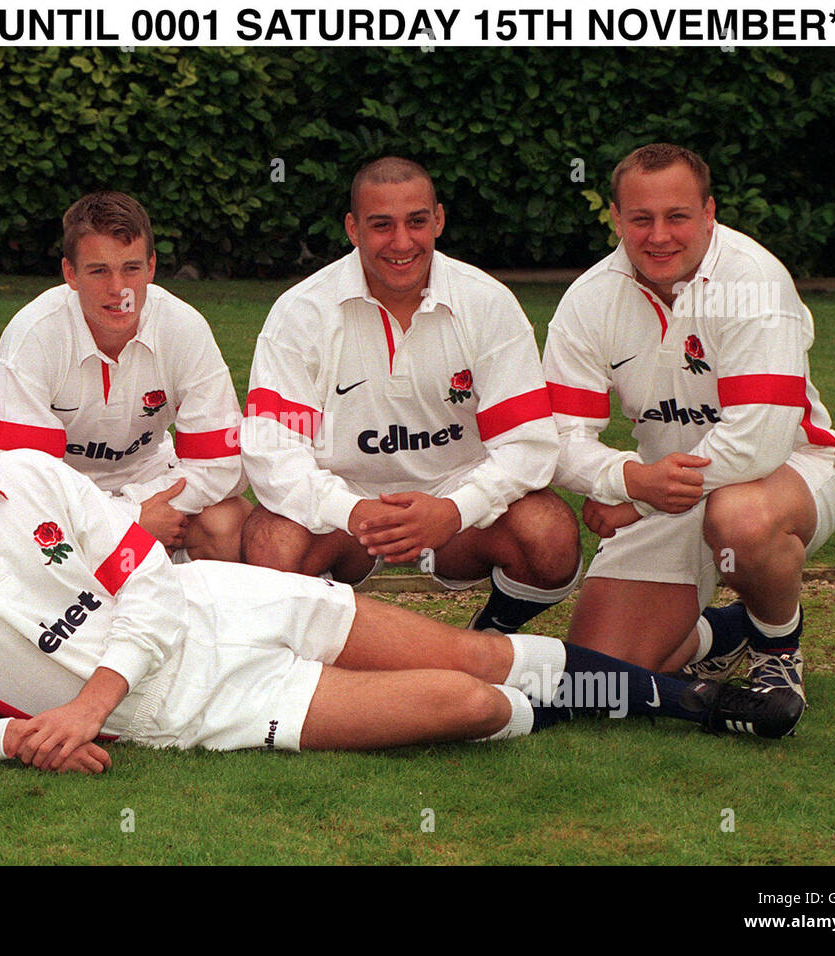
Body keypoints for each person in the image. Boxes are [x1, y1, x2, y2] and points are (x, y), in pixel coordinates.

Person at [0, 362, 802, 774]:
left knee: (484, 663)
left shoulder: (32, 473)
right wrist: (11, 741)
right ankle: (705, 645)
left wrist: (88, 698)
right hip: (194, 702)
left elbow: (150, 581)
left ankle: (695, 698)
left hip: (231, 600)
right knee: (470, 707)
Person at [542, 143, 835, 704]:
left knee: (740, 519)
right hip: (666, 487)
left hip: (784, 474)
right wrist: (632, 480)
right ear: (616, 218)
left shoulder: (755, 280)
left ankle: (776, 647)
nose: (658, 235)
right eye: (641, 218)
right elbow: (558, 437)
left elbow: (758, 441)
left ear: (708, 212)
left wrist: (637, 498)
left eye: (677, 216)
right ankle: (726, 631)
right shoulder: (589, 299)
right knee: (603, 683)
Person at [241, 157, 580, 635]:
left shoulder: (487, 302)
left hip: (456, 509)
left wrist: (457, 508)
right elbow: (272, 450)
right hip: (346, 515)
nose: (402, 243)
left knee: (549, 534)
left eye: (416, 222)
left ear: (438, 219)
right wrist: (351, 510)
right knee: (271, 543)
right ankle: (328, 652)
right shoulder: (301, 311)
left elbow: (529, 445)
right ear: (353, 228)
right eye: (381, 225)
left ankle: (492, 634)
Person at [0, 191, 250, 562]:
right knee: (15, 532)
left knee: (226, 522)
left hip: (150, 479)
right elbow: (21, 481)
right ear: (70, 274)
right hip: (65, 489)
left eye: (131, 268)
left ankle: (201, 613)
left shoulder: (183, 326)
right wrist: (129, 518)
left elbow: (223, 465)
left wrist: (138, 505)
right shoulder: (34, 334)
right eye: (98, 270)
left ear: (152, 267)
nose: (118, 289)